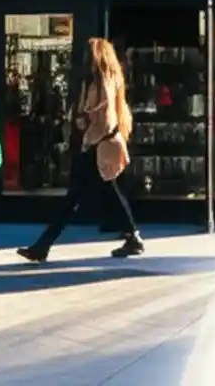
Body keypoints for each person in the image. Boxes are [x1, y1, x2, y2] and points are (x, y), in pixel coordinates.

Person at [16, 37, 144, 262]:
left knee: (84, 196)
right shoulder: (103, 80)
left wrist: (85, 130)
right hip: (98, 144)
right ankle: (43, 246)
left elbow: (105, 118)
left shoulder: (102, 81)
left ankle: (43, 246)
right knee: (100, 193)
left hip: (98, 145)